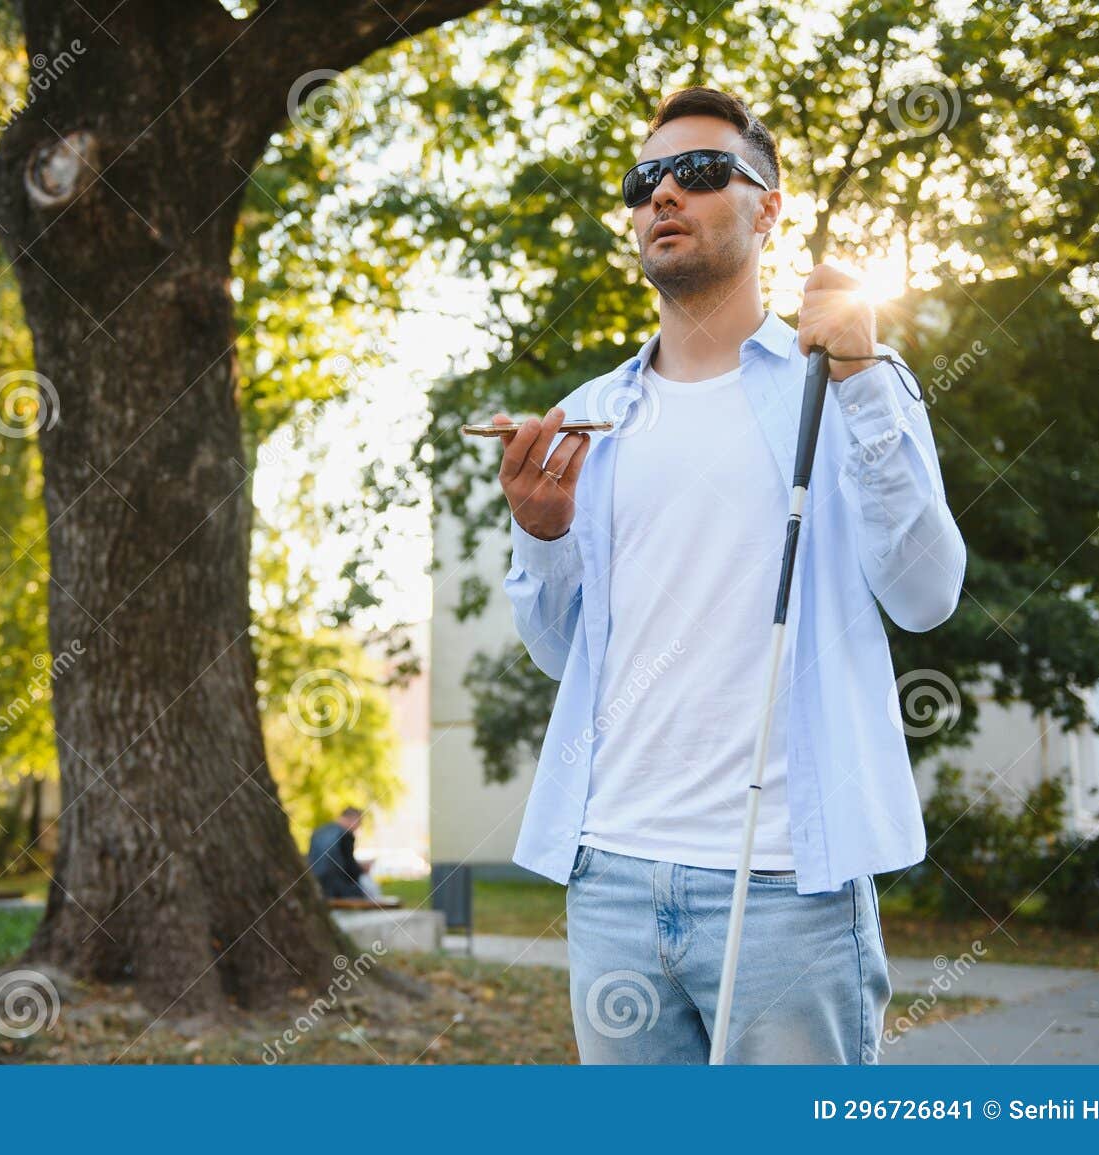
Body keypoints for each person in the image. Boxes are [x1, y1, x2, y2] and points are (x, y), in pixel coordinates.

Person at [492, 87, 965, 1065]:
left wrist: (865, 385)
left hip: (788, 884)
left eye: (700, 172)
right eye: (643, 180)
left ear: (767, 207)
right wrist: (540, 538)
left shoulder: (845, 377)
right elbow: (558, 658)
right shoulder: (590, 413)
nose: (664, 193)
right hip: (611, 876)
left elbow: (926, 595)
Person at [306, 807, 374, 900]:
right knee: (371, 890)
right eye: (359, 822)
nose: (358, 827)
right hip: (338, 889)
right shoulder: (346, 835)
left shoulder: (318, 832)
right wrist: (363, 869)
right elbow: (350, 869)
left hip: (317, 886)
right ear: (353, 819)